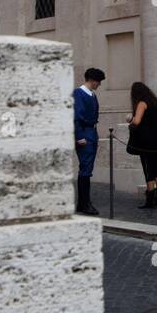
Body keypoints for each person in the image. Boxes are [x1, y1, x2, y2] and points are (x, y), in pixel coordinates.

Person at [127, 81, 157, 209]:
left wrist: (129, 119)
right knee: (156, 167)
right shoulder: (156, 102)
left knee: (148, 168)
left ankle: (150, 200)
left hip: (146, 140)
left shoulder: (142, 103)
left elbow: (136, 121)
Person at [73, 68, 105, 216]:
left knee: (87, 167)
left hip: (91, 132)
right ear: (92, 80)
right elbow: (76, 117)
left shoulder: (92, 95)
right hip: (85, 132)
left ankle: (83, 203)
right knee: (85, 168)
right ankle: (84, 203)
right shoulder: (79, 94)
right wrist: (79, 136)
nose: (99, 84)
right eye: (98, 81)